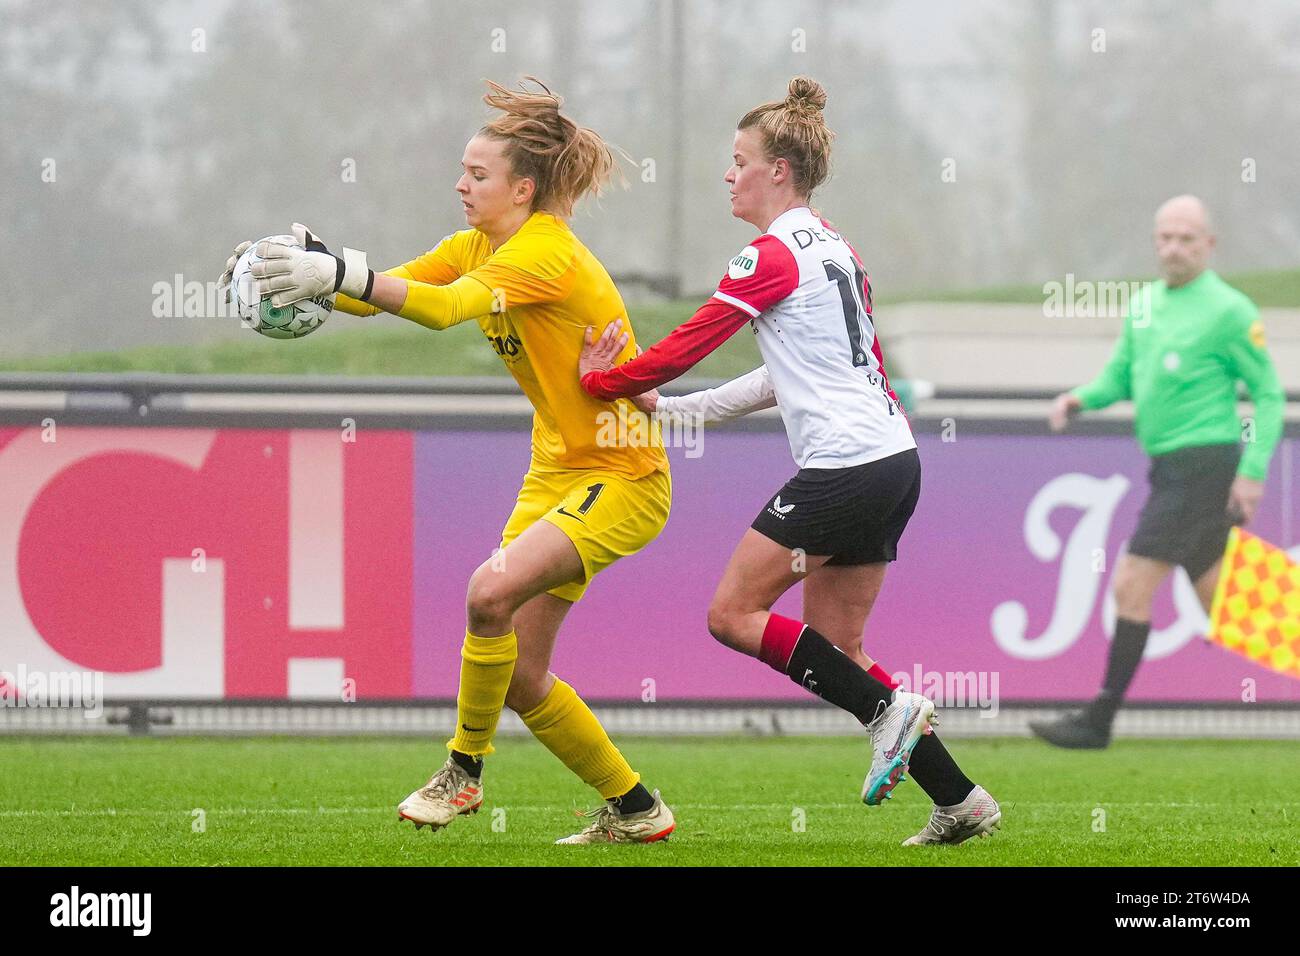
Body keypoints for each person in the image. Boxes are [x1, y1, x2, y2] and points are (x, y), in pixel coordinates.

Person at [219, 78, 676, 844]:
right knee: (524, 676)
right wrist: (322, 267)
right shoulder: (479, 245)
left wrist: (336, 277)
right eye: (462, 171)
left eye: (477, 174)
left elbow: (441, 310)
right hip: (559, 470)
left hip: (621, 475)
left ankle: (463, 774)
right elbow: (395, 289)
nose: (459, 185)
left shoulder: (545, 253)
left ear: (522, 188)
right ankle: (637, 811)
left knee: (486, 593)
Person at [578, 77, 1001, 846]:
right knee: (839, 649)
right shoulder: (836, 248)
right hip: (894, 461)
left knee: (731, 614)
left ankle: (889, 714)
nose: (729, 175)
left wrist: (605, 383)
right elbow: (789, 376)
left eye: (739, 161)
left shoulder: (769, 255)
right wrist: (672, 413)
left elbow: (689, 340)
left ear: (780, 170)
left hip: (845, 467)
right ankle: (959, 798)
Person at [1032, 195, 1284, 749]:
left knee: (1131, 585)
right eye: (1165, 237)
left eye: (1187, 238)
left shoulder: (1230, 310)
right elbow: (1121, 377)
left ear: (1209, 245)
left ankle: (1097, 722)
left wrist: (1254, 471)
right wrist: (1079, 399)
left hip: (1205, 465)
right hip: (1168, 468)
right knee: (1224, 599)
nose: (1174, 248)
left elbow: (1268, 395)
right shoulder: (1144, 304)